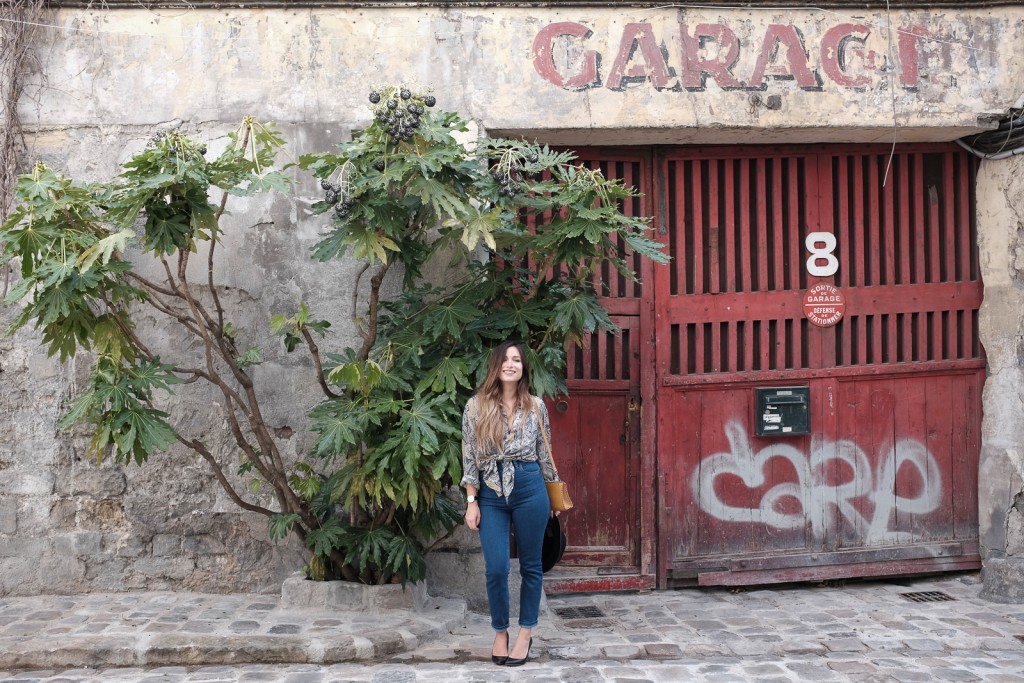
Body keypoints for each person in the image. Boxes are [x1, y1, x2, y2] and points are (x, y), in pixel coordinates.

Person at [461, 340, 558, 667]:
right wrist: (471, 501)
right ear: (496, 366)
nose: (511, 364)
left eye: (517, 359)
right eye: (506, 359)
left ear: (523, 368)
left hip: (531, 487)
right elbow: (470, 457)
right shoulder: (475, 407)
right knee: (497, 567)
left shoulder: (536, 406)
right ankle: (500, 631)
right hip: (490, 492)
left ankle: (525, 633)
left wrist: (553, 494)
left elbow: (545, 453)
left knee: (531, 566)